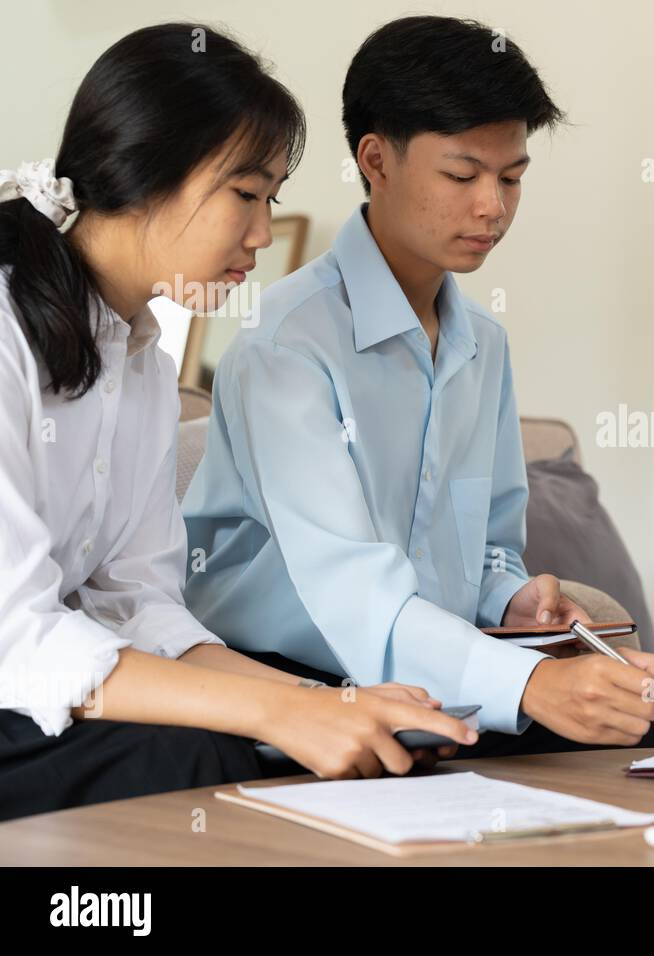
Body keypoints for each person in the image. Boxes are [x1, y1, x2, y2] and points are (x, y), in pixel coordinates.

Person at [182, 16, 654, 757]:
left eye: (512, 177)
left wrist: (508, 594)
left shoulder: (482, 345)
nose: (492, 205)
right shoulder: (286, 347)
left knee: (650, 748)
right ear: (376, 160)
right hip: (294, 689)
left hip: (440, 674)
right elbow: (353, 596)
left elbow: (487, 543)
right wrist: (525, 685)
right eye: (463, 176)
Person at [0, 23, 477, 823]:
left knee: (303, 737)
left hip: (34, 682)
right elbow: (16, 641)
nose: (261, 235)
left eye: (270, 201)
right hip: (16, 671)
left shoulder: (143, 362)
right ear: (148, 171)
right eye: (244, 195)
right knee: (204, 747)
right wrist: (271, 713)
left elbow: (140, 605)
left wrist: (325, 701)